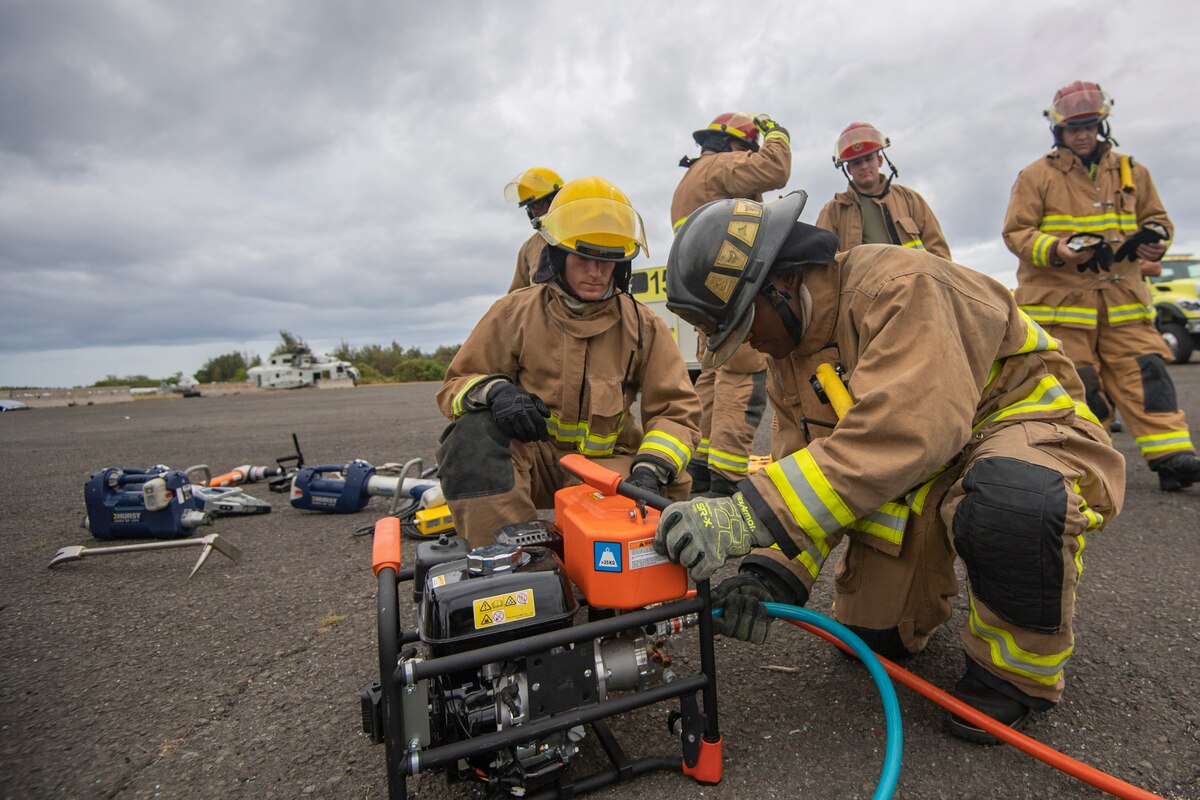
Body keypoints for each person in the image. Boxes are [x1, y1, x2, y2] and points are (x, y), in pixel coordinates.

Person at [654, 191, 1125, 743]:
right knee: (874, 639)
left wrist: (741, 515)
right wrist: (766, 574)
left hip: (1018, 425)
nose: (746, 343)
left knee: (1010, 502)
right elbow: (809, 471)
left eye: (741, 323)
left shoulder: (901, 285)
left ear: (779, 283)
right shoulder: (790, 354)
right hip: (926, 458)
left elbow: (911, 429)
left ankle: (1015, 675)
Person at [437, 177, 701, 548]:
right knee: (470, 440)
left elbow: (678, 412)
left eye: (607, 261)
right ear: (557, 256)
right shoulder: (514, 313)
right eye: (584, 258)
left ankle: (637, 574)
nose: (596, 273)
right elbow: (457, 383)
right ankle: (511, 566)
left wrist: (650, 469)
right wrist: (495, 392)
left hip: (609, 468)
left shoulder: (644, 327)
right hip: (537, 463)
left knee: (673, 478)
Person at [1003, 80, 1200, 491]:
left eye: (1089, 126)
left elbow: (1160, 219)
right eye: (1074, 127)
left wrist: (1156, 238)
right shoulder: (1036, 176)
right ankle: (1087, 473)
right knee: (1082, 389)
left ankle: (1172, 457)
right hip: (1063, 308)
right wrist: (1056, 248)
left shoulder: (1132, 172)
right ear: (1059, 130)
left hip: (1124, 304)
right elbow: (1016, 233)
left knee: (1149, 378)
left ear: (1101, 125)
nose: (1082, 134)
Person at [671, 111, 791, 495]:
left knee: (712, 377)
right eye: (746, 148)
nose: (747, 157)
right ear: (732, 144)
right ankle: (727, 481)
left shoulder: (692, 178)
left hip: (708, 294)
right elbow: (775, 169)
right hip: (733, 289)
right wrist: (777, 133)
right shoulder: (721, 166)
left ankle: (703, 470)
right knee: (743, 376)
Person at [816, 122, 951, 259]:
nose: (864, 166)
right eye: (856, 162)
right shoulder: (833, 211)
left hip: (914, 280)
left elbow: (939, 252)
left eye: (869, 159)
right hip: (863, 280)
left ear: (880, 160)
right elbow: (822, 260)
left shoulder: (910, 199)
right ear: (849, 169)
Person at [503, 166, 563, 292]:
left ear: (555, 199)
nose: (534, 210)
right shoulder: (528, 248)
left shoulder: (582, 233)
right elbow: (515, 297)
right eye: (530, 206)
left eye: (539, 203)